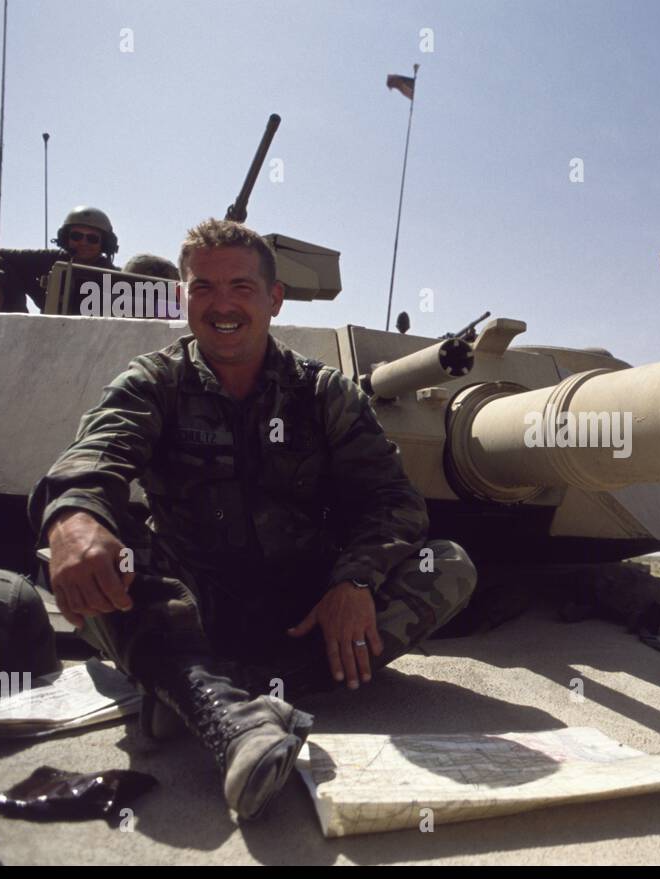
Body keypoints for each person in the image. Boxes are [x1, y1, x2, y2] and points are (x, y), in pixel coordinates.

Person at [29, 218, 477, 820]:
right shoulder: (154, 382)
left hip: (306, 611)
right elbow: (94, 457)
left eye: (241, 287)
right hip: (191, 604)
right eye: (204, 288)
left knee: (446, 567)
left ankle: (187, 684)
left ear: (273, 298)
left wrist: (356, 579)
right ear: (184, 297)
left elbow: (392, 500)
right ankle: (225, 709)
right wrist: (76, 519)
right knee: (78, 552)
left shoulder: (323, 393)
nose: (222, 306)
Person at [0, 206, 119, 313]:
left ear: (105, 244)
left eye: (92, 238)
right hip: (43, 332)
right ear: (66, 238)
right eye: (77, 236)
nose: (83, 243)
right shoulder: (50, 260)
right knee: (0, 268)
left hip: (95, 336)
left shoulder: (114, 278)